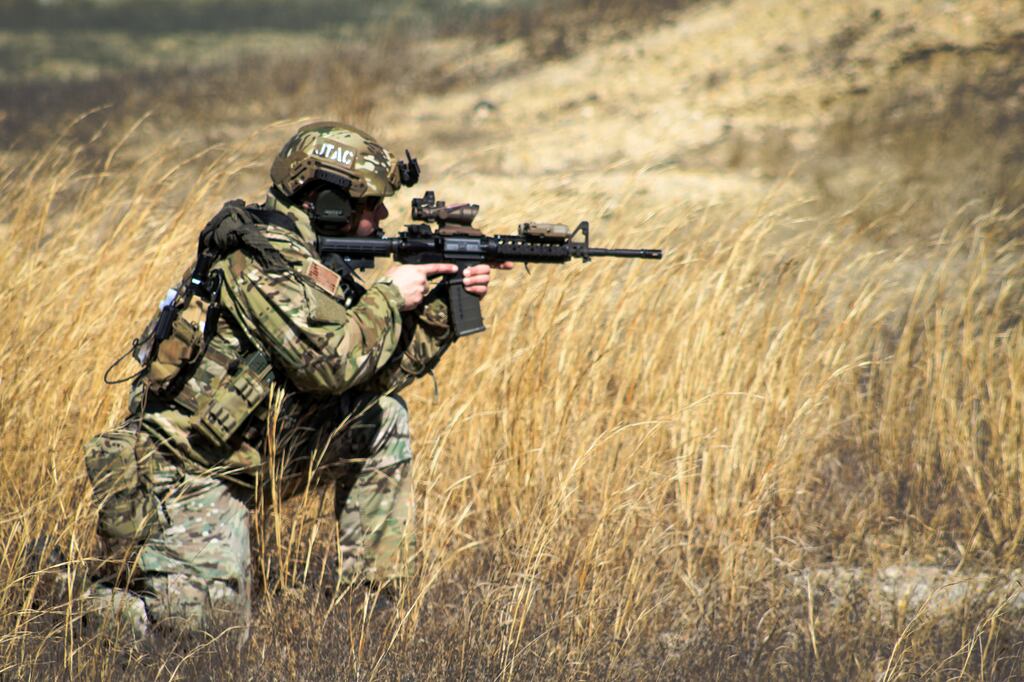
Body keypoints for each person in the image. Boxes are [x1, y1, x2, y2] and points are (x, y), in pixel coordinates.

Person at [82, 121, 508, 639]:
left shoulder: (315, 261)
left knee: (382, 419)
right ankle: (108, 601)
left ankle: (373, 616)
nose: (380, 216)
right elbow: (329, 365)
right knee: (202, 639)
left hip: (252, 451)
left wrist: (440, 310)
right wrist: (390, 297)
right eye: (368, 204)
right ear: (324, 201)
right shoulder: (260, 261)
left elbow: (370, 376)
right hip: (188, 469)